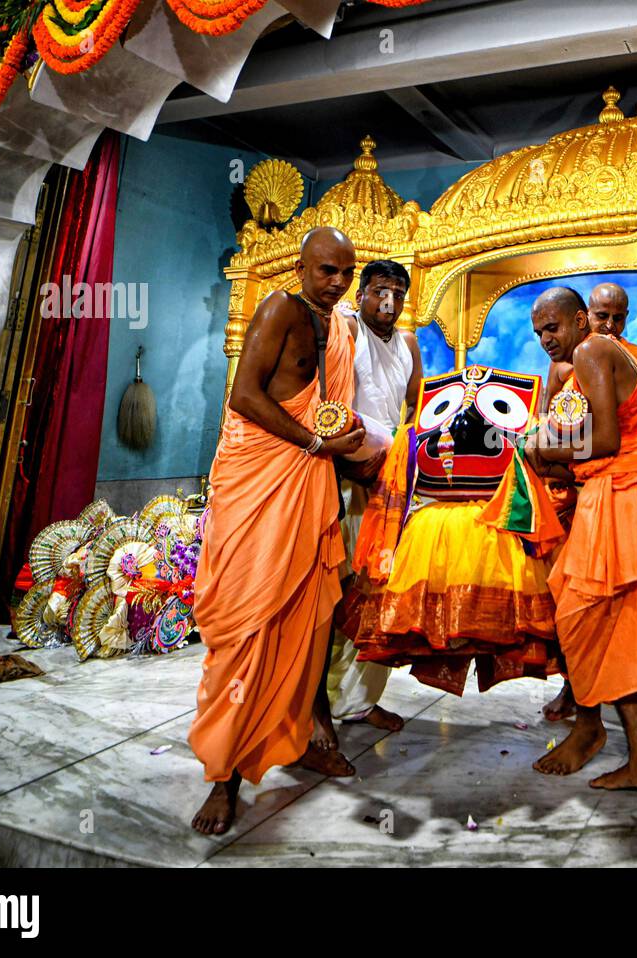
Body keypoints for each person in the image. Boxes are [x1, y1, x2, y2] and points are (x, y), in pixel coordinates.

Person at [189, 226, 366, 835]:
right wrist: (319, 442)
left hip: (309, 478)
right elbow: (244, 395)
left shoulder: (340, 327)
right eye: (326, 271)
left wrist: (346, 444)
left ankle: (310, 732)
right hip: (261, 482)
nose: (338, 282)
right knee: (249, 624)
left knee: (306, 614)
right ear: (301, 267)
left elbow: (325, 404)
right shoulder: (279, 309)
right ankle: (223, 777)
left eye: (347, 271)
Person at [528, 286, 637, 794]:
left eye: (553, 328)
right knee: (601, 614)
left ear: (579, 320)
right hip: (630, 485)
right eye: (539, 332)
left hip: (622, 486)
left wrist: (544, 448)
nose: (547, 339)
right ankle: (623, 746)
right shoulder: (583, 360)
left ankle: (619, 745)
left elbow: (608, 440)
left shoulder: (592, 349)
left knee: (588, 610)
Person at [322, 260, 422, 732]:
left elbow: (418, 408)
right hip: (339, 474)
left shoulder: (407, 344)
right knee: (336, 588)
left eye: (398, 293)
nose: (390, 301)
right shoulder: (345, 329)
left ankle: (358, 699)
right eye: (381, 290)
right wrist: (350, 460)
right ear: (361, 294)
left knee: (375, 585)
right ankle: (317, 697)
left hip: (387, 481)